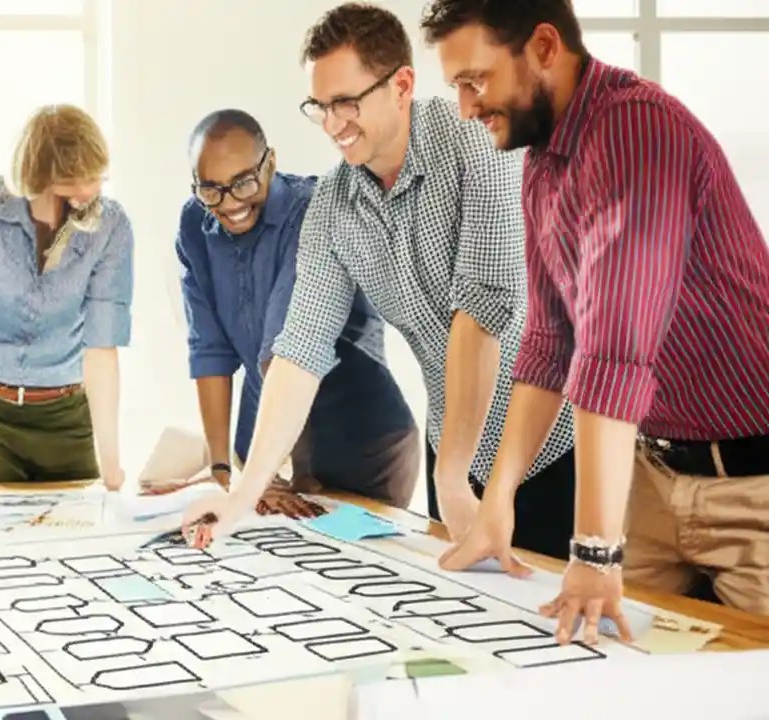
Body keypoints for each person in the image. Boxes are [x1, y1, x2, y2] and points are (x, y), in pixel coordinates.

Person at [420, 0, 769, 642]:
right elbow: (550, 345)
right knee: (616, 675)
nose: (467, 108)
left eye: (476, 80)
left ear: (545, 47)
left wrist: (594, 550)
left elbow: (611, 354)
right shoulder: (541, 161)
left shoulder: (636, 130)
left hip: (754, 489)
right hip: (654, 476)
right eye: (457, 87)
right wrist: (499, 501)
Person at [181, 2, 576, 561]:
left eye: (346, 103)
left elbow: (483, 312)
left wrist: (457, 475)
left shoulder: (477, 142)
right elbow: (300, 351)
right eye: (320, 107)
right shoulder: (333, 207)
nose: (333, 124)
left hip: (548, 448)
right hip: (454, 456)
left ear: (402, 84)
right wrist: (241, 495)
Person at [158, 108, 419, 513]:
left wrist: (257, 476)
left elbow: (284, 351)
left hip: (360, 442)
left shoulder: (311, 212)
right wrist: (222, 466)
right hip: (269, 444)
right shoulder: (194, 223)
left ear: (271, 162)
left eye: (244, 183)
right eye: (211, 189)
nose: (230, 204)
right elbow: (209, 350)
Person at [0, 104, 132, 491]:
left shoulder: (111, 225)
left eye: (96, 179)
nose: (87, 192)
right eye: (72, 182)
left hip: (67, 415)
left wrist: (112, 468)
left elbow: (101, 345)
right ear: (36, 176)